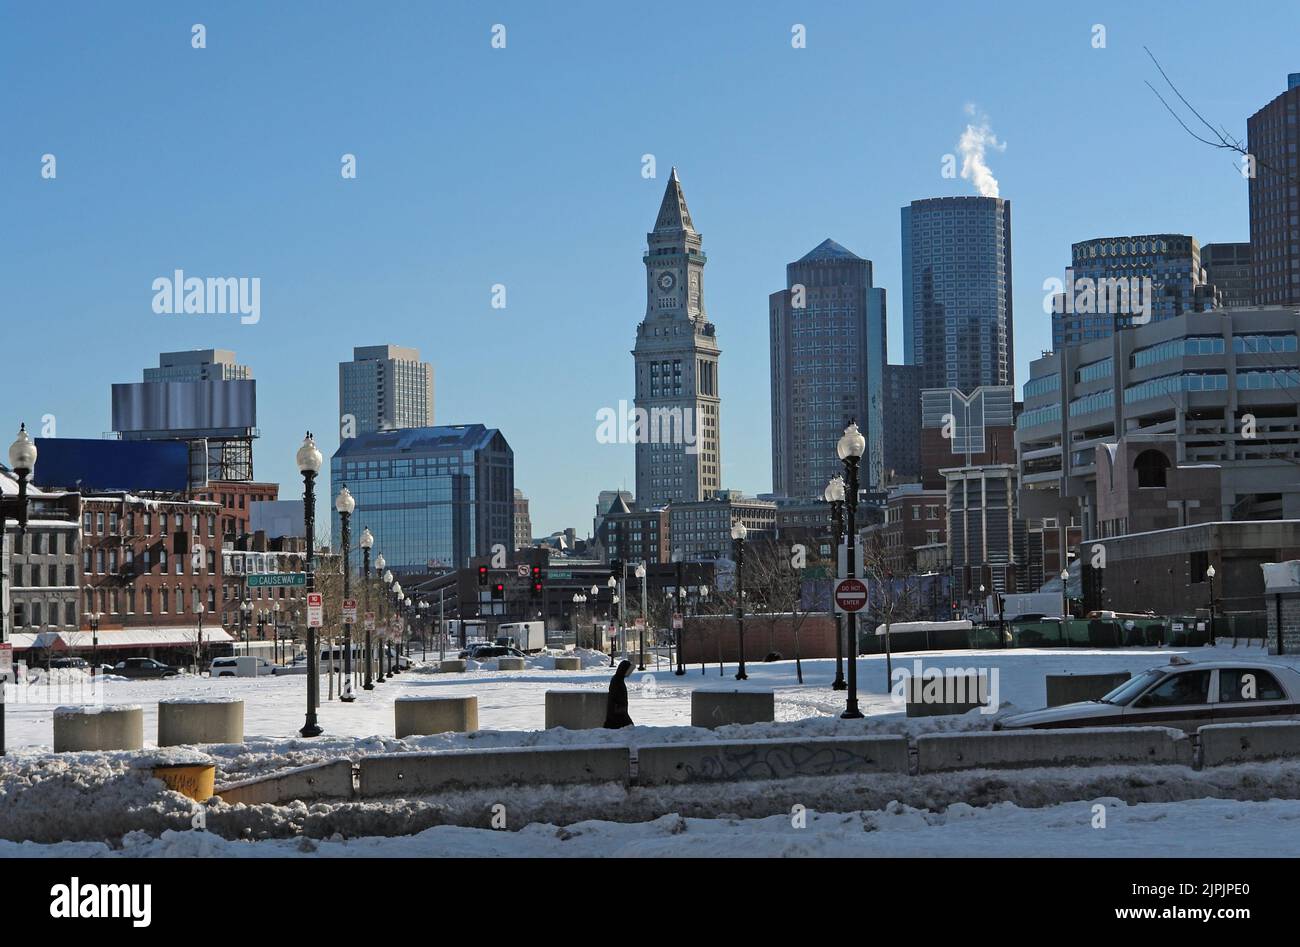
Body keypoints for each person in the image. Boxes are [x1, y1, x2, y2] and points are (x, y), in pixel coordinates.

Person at [604, 659, 634, 729]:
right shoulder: (617, 680)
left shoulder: (618, 679)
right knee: (628, 729)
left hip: (618, 711)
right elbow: (614, 696)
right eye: (628, 670)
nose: (630, 673)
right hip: (618, 712)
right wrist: (618, 707)